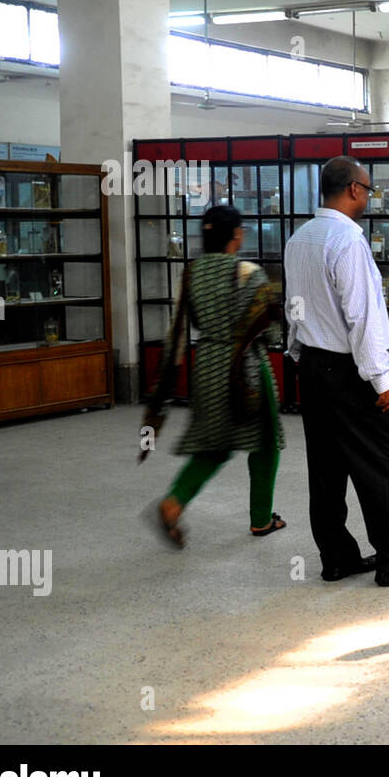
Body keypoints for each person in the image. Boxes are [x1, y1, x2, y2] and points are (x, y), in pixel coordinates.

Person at [284, 155, 389, 587]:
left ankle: (336, 558)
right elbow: (363, 316)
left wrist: (299, 355)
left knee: (326, 469)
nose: (369, 197)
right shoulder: (348, 240)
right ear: (354, 189)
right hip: (350, 371)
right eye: (369, 190)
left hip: (312, 367)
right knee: (382, 464)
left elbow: (294, 307)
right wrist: (382, 378)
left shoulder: (301, 237)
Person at [142, 204, 285, 546]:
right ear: (236, 234)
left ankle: (174, 502)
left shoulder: (191, 273)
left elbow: (181, 326)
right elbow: (271, 332)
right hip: (245, 369)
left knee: (213, 446)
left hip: (205, 364)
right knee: (265, 443)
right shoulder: (250, 272)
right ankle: (261, 519)